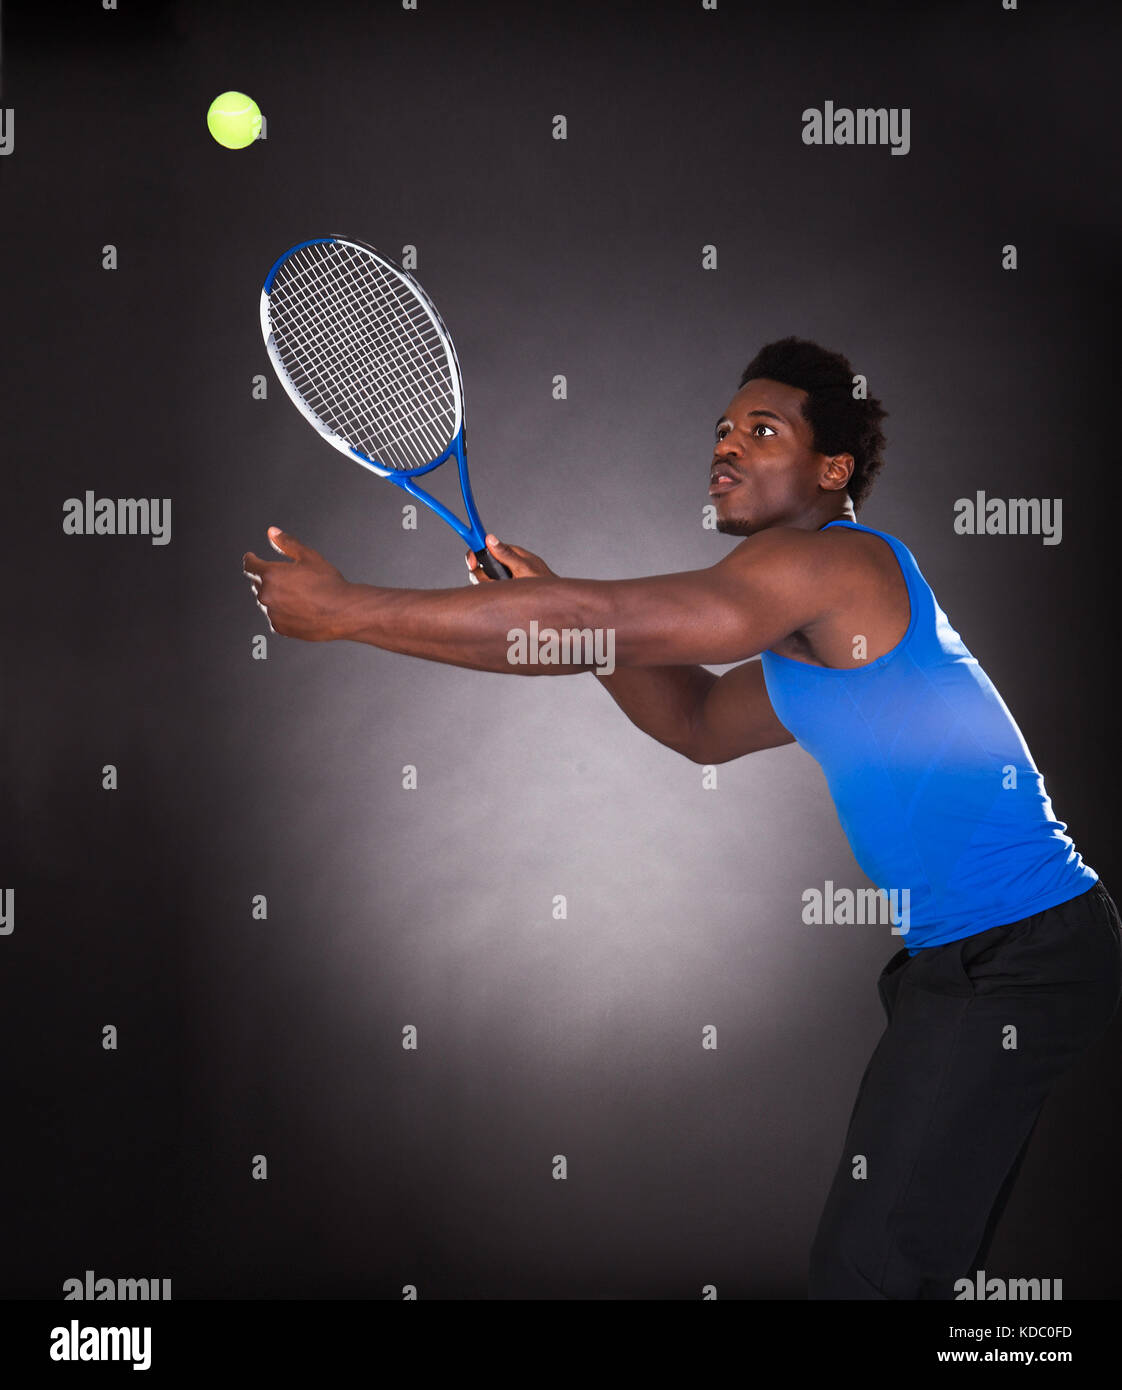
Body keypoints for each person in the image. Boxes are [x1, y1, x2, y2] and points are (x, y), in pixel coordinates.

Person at [243, 336, 1121, 1299]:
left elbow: (591, 624)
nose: (727, 446)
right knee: (922, 1271)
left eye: (762, 428)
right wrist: (561, 607)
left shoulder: (837, 567)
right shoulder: (806, 635)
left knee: (871, 1277)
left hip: (1014, 956)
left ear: (834, 470)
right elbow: (697, 721)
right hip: (984, 958)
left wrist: (349, 611)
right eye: (721, 430)